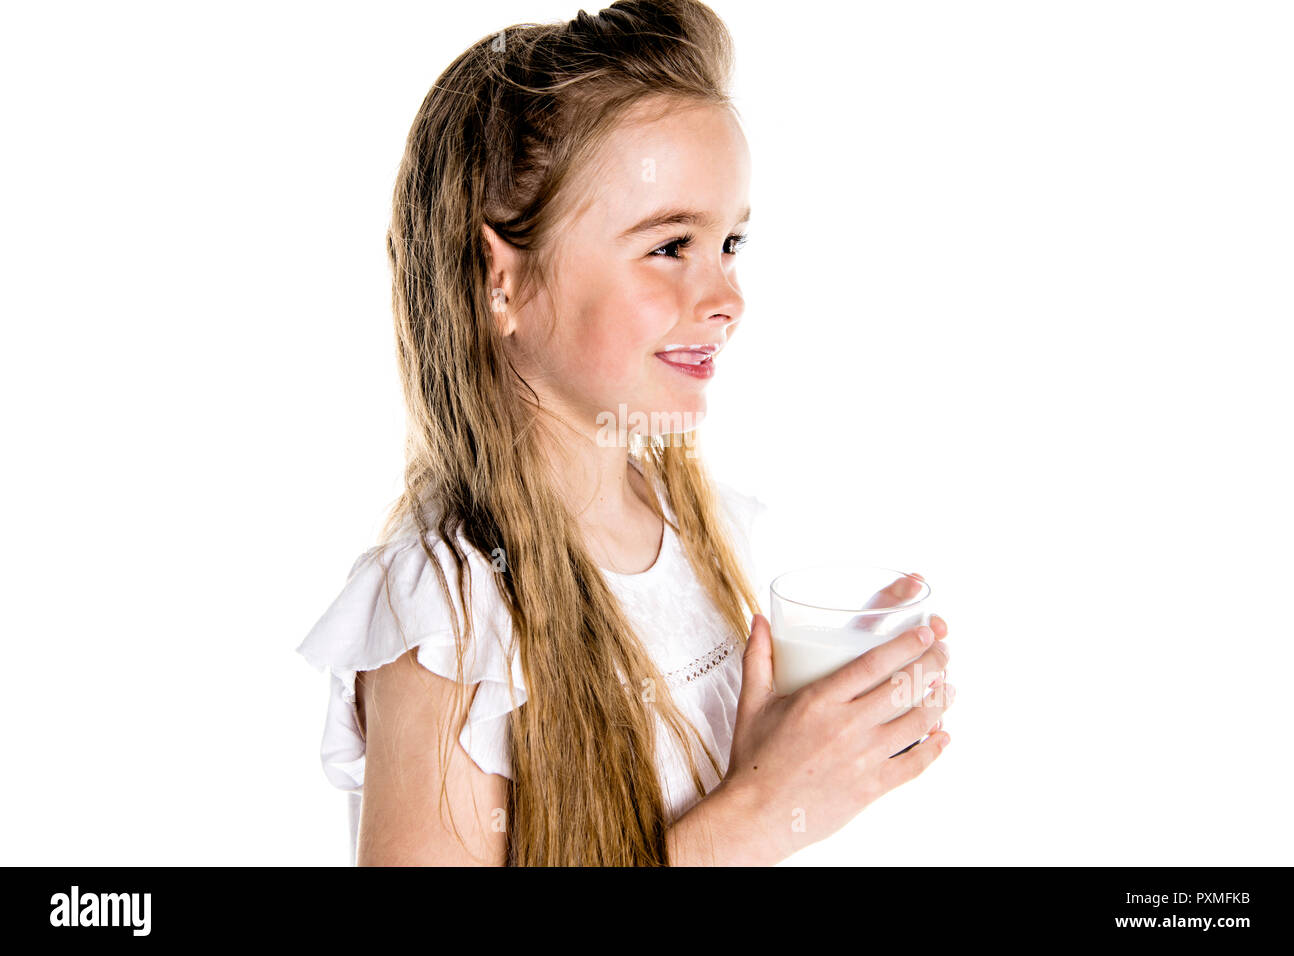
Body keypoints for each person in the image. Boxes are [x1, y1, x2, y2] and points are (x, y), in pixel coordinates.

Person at [296, 0, 953, 866]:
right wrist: (762, 809)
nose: (727, 299)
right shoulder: (448, 614)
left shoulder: (706, 531)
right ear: (502, 280)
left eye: (730, 243)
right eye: (671, 245)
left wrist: (814, 735)